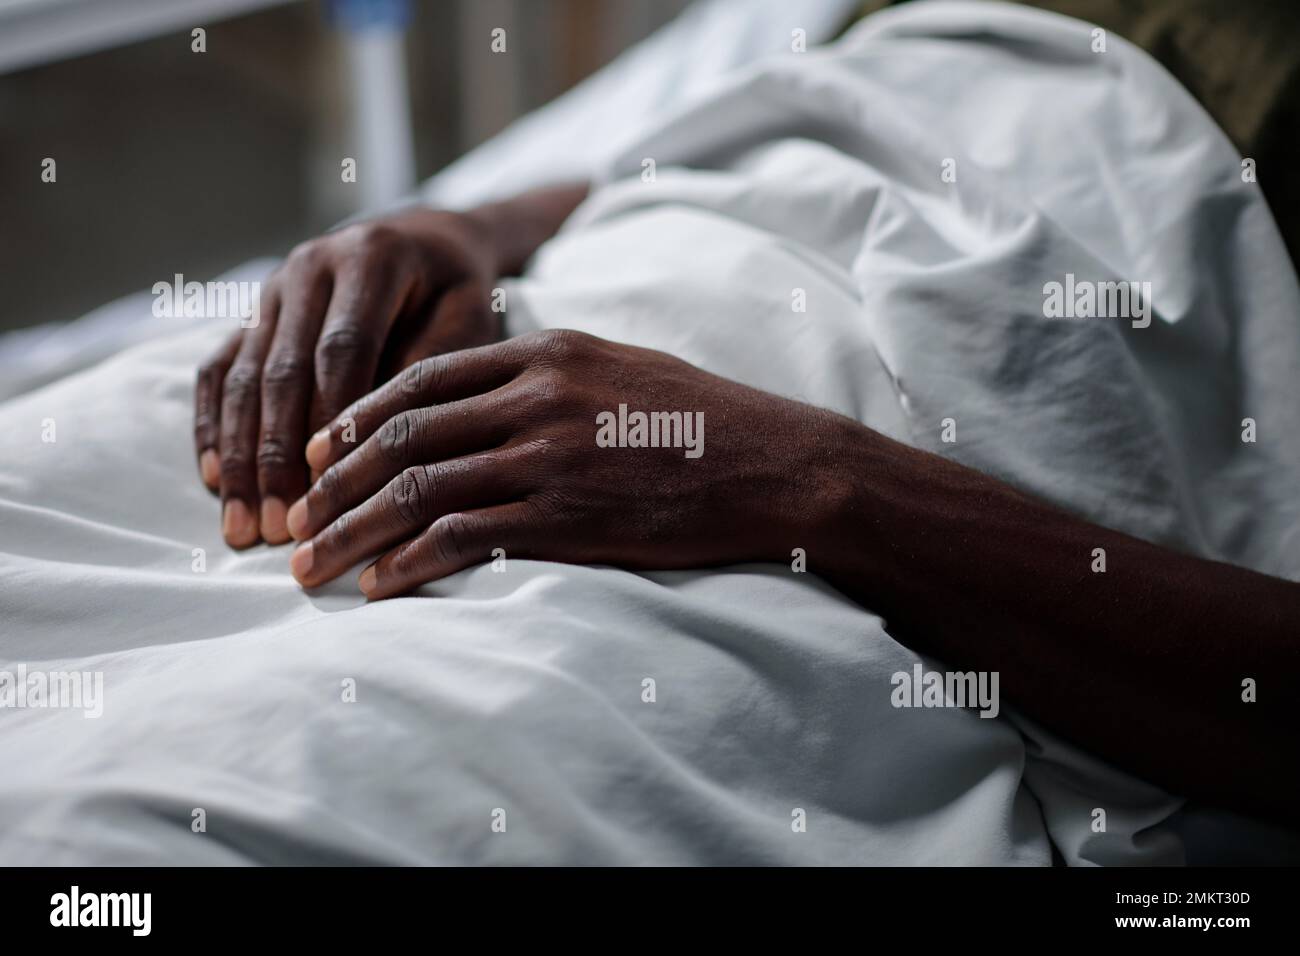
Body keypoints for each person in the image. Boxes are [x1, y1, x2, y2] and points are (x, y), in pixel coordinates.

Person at [192, 3, 1300, 831]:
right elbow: (761, 134)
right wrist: (462, 230)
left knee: (286, 775)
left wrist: (812, 482)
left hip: (867, 487)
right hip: (545, 299)